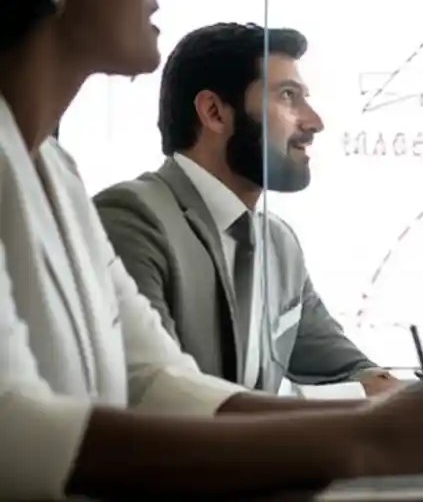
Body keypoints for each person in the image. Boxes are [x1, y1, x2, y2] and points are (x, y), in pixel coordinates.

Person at [0, 0, 423, 499]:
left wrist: (387, 417)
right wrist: (365, 437)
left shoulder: (53, 171)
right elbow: (12, 432)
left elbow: (157, 382)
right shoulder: (129, 211)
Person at [94, 23, 398, 396]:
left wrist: (404, 394)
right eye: (288, 96)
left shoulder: (278, 242)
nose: (314, 121)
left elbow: (349, 369)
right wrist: (359, 397)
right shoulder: (130, 218)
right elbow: (165, 400)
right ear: (214, 113)